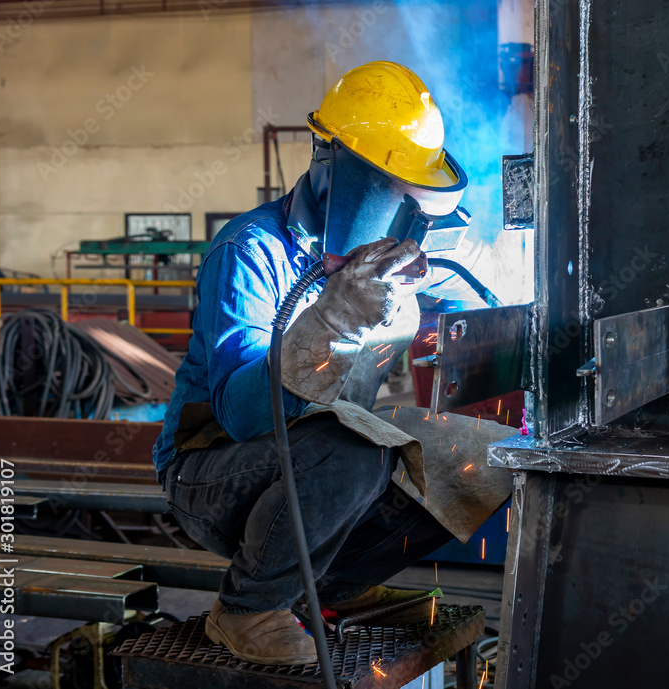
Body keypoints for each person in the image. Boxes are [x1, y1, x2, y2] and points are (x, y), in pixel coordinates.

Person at [152, 61, 512, 665]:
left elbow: (470, 311)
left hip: (311, 468)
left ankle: (319, 586)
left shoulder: (382, 265)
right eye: (392, 193)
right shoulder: (249, 252)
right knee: (358, 446)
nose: (405, 217)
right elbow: (242, 417)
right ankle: (246, 610)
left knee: (478, 457)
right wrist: (333, 321)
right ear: (331, 165)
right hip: (210, 472)